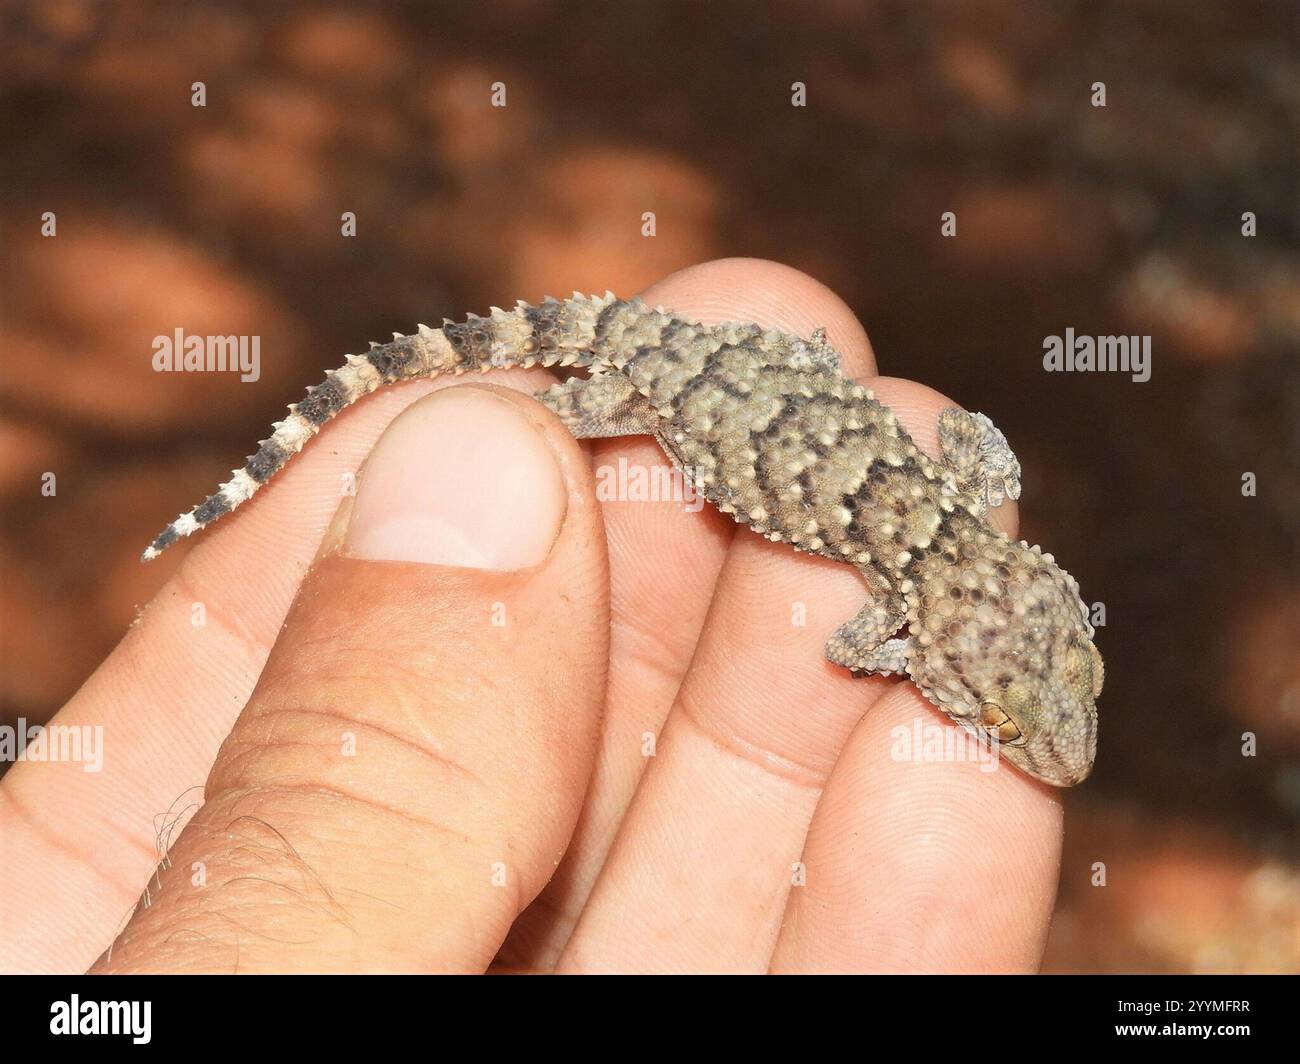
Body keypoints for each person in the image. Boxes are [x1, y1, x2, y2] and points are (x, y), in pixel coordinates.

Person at [0, 259, 1061, 974]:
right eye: (1009, 719)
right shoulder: (904, 595)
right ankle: (452, 448)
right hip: (662, 387)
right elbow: (849, 635)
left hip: (724, 363)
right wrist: (914, 644)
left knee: (687, 374)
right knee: (515, 436)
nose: (1032, 735)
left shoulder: (959, 496)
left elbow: (969, 433)